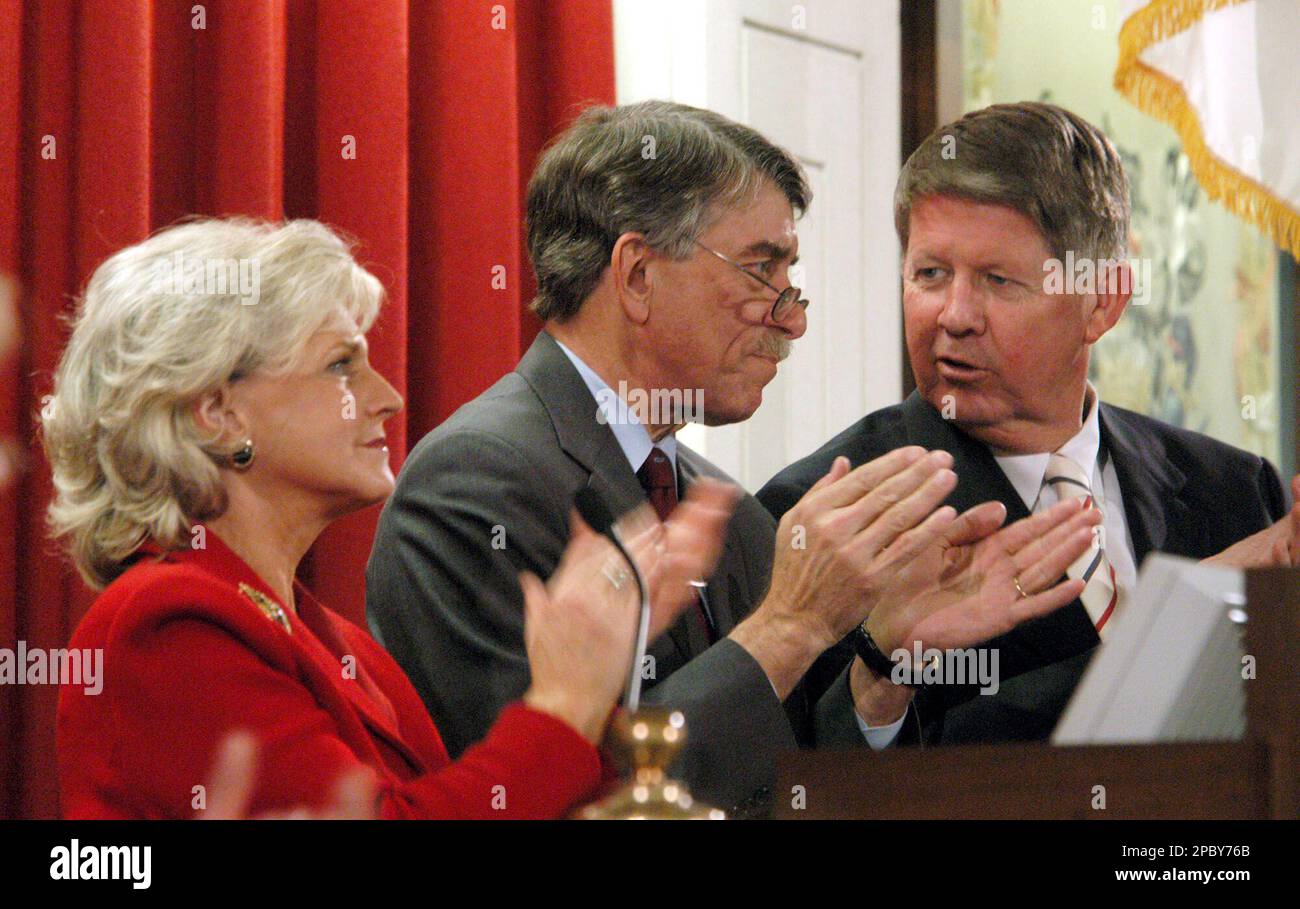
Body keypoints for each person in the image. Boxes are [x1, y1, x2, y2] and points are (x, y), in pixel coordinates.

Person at [366, 100, 1101, 812]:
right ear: (637, 275)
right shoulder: (473, 484)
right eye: (761, 271)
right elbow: (533, 798)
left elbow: (790, 790)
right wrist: (787, 625)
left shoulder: (724, 507)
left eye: (791, 279)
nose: (792, 320)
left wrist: (881, 665)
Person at [45, 217, 738, 819]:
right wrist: (563, 699)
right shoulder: (166, 625)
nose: (387, 397)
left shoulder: (336, 641)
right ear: (218, 411)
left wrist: (600, 660)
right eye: (341, 365)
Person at [759, 101, 1300, 747]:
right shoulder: (825, 511)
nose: (954, 315)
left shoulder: (1234, 490)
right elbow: (805, 781)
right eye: (930, 274)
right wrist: (880, 679)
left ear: (1102, 301)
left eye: (998, 280)